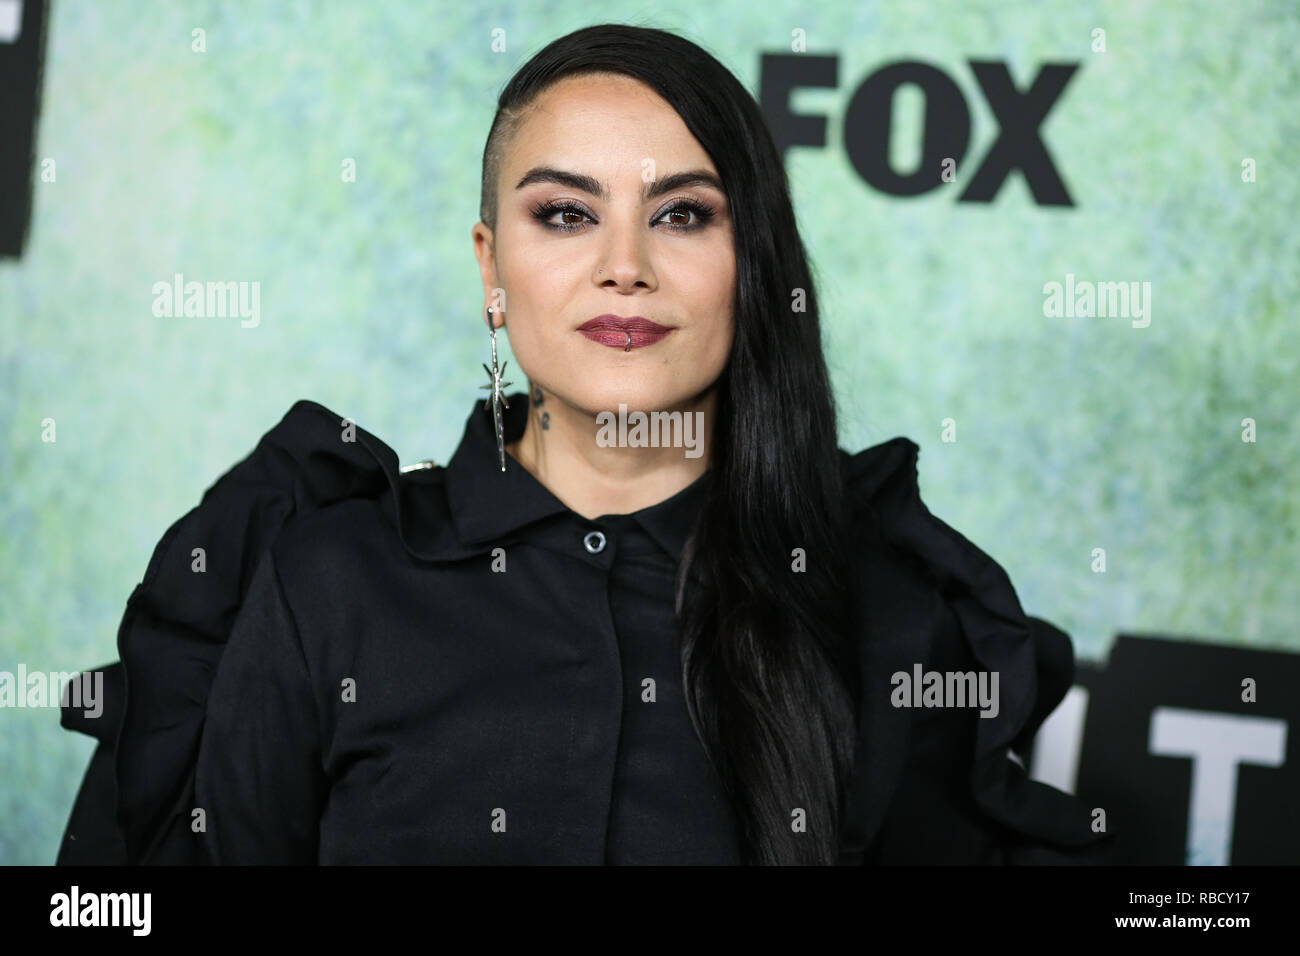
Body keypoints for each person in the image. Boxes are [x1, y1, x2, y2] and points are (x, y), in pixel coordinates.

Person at [56, 23, 1112, 866]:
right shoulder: (327, 581)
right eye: (564, 214)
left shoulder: (889, 615)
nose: (623, 266)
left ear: (755, 263)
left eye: (683, 215)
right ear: (490, 268)